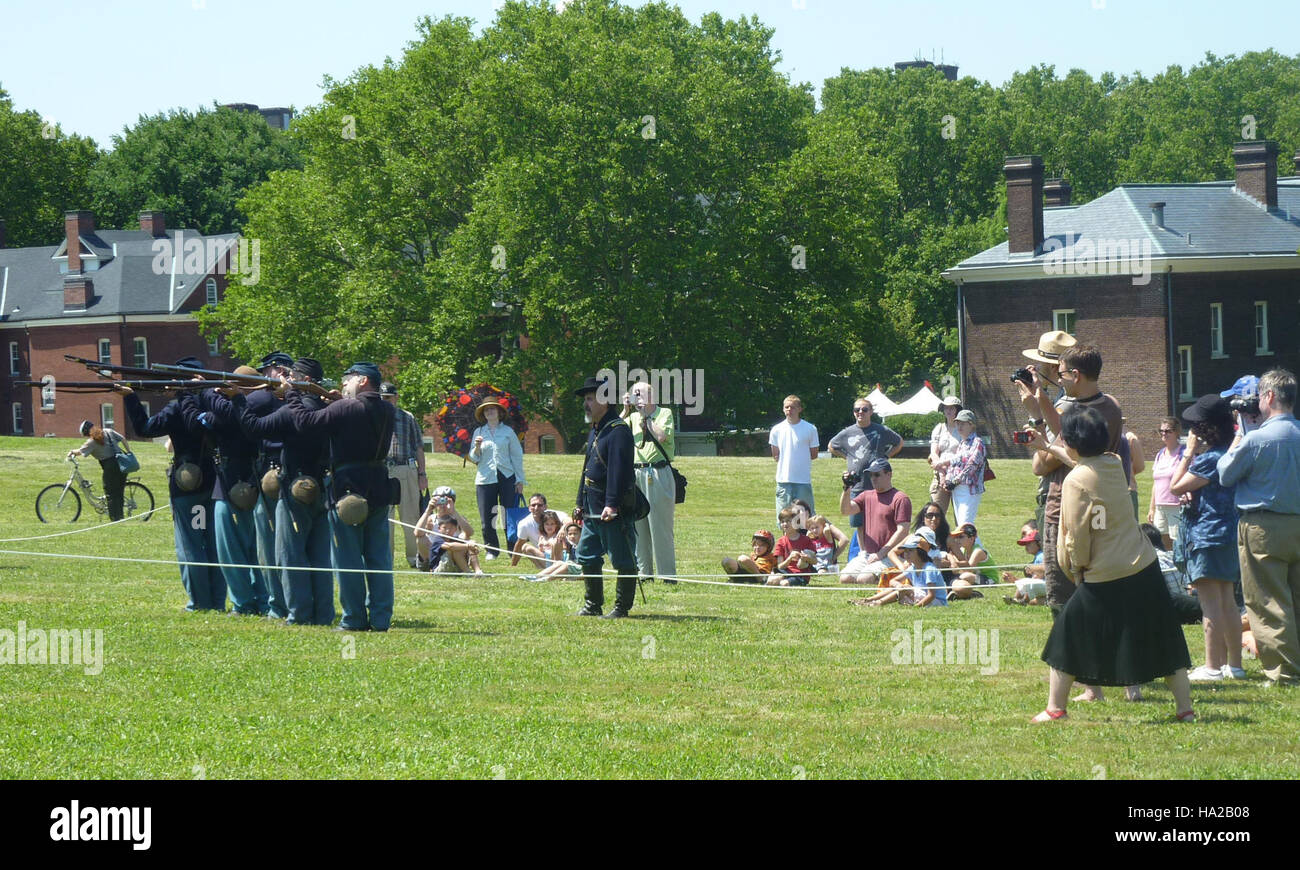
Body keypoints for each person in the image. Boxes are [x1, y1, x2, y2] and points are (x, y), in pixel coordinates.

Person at [1033, 406, 1193, 724]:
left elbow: (1077, 533)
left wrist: (1077, 568)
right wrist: (1052, 447)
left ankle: (1056, 709)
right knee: (1164, 637)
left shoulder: (1075, 481)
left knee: (1065, 636)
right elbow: (1082, 466)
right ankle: (1185, 710)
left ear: (1073, 442)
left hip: (1105, 574)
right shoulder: (1113, 463)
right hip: (1143, 564)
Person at [285, 362, 398, 632]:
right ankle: (381, 619)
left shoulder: (345, 408)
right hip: (379, 488)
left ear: (361, 381)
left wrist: (291, 394)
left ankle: (354, 619)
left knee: (347, 560)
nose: (343, 384)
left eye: (347, 380)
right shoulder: (387, 409)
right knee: (379, 559)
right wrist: (336, 401)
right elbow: (355, 418)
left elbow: (304, 422)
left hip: (348, 488)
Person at [115, 358, 225, 612]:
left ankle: (199, 602)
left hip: (187, 485)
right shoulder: (214, 404)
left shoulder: (177, 408)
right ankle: (217, 601)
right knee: (211, 544)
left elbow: (144, 428)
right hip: (213, 480)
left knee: (190, 546)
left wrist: (131, 397)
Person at [233, 357, 335, 625]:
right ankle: (323, 614)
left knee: (289, 555)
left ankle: (299, 614)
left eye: (293, 376)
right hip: (323, 486)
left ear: (306, 381)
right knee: (319, 557)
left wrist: (237, 399)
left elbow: (253, 428)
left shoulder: (294, 410)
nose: (287, 379)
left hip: (294, 489)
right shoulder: (328, 408)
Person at [1216, 368, 1300, 687]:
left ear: (1268, 397)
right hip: (1297, 520)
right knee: (1296, 597)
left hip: (1263, 525)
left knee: (1268, 599)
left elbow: (1225, 473)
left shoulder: (1257, 439)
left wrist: (1241, 434)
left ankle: (1284, 672)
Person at [1169, 395, 1243, 681]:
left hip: (1207, 534)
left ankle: (1212, 667)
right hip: (1229, 533)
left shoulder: (1210, 458)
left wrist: (1188, 453)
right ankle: (1233, 665)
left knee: (1210, 604)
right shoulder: (1231, 453)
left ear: (1206, 428)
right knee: (1228, 601)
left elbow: (1175, 487)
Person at [194, 369, 272, 617]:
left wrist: (204, 389)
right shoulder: (248, 405)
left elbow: (217, 417)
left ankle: (243, 602)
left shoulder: (243, 406)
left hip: (234, 478)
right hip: (241, 476)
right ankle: (260, 599)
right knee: (251, 547)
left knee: (230, 548)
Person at [572, 375, 639, 618]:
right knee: (587, 553)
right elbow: (587, 469)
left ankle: (622, 608)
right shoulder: (597, 430)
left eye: (590, 399)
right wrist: (580, 502)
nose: (586, 404)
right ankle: (593, 605)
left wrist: (612, 505)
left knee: (622, 558)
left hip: (611, 508)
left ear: (605, 401)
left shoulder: (618, 431)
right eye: (586, 399)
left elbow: (618, 473)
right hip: (592, 506)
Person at [249, 350, 294, 619]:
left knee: (270, 546)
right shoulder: (297, 399)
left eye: (267, 371)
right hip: (284, 474)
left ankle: (278, 604)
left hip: (272, 473)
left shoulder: (263, 398)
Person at [623, 381, 678, 584]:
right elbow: (613, 432)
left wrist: (647, 417)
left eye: (640, 395)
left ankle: (667, 575)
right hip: (635, 475)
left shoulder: (664, 414)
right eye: (634, 395)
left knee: (660, 527)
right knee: (639, 526)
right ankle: (644, 574)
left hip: (658, 472)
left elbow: (662, 437)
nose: (637, 400)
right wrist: (624, 411)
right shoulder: (631, 418)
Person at [829, 398, 901, 532]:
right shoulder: (847, 432)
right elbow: (832, 446)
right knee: (859, 523)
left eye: (864, 409)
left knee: (880, 520)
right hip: (857, 484)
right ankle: (862, 551)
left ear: (871, 412)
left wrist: (886, 457)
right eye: (857, 410)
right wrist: (847, 457)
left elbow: (899, 442)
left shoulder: (881, 430)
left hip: (878, 483)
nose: (860, 412)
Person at [467, 397, 525, 561]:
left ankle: (512, 549)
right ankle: (491, 550)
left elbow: (516, 456)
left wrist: (519, 480)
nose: (489, 411)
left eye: (492, 409)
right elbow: (473, 458)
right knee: (487, 516)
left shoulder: (508, 432)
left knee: (508, 515)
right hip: (485, 478)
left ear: (499, 412)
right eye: (486, 410)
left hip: (507, 476)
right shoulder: (478, 433)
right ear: (483, 414)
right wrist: (477, 447)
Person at [839, 458, 912, 584]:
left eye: (877, 474)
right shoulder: (866, 495)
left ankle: (892, 574)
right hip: (867, 554)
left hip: (891, 555)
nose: (873, 478)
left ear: (889, 474)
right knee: (845, 578)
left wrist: (881, 553)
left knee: (864, 579)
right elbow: (846, 510)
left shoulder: (900, 498)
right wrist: (847, 488)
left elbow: (903, 531)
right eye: (871, 475)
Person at [381, 381, 428, 568]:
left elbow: (418, 447)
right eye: (383, 398)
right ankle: (386, 560)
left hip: (406, 469)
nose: (386, 401)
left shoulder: (407, 417)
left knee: (410, 516)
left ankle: (414, 557)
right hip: (383, 470)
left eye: (389, 398)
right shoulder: (374, 417)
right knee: (385, 518)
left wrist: (422, 473)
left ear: (396, 397)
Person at [858, 532, 948, 607]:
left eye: (910, 551)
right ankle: (869, 600)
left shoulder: (929, 569)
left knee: (905, 588)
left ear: (921, 553)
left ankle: (878, 603)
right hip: (922, 597)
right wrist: (898, 586)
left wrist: (917, 608)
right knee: (901, 587)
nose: (906, 554)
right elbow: (893, 581)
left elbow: (931, 595)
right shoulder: (913, 567)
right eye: (905, 551)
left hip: (937, 602)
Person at [67, 419, 130, 520]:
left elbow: (81, 451)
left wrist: (72, 452)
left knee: (109, 492)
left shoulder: (92, 441)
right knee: (119, 492)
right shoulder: (108, 431)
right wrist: (129, 452)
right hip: (122, 463)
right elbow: (122, 438)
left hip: (110, 466)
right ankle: (120, 516)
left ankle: (114, 518)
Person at [769, 395, 819, 519]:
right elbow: (775, 455)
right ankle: (785, 539)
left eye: (792, 407)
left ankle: (806, 539)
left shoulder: (810, 429)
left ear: (800, 409)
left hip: (803, 481)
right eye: (786, 407)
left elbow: (814, 454)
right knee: (784, 518)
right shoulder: (776, 430)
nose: (789, 410)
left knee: (805, 518)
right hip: (783, 481)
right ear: (783, 409)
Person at [1147, 416, 1186, 550]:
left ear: (1177, 432)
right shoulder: (1160, 454)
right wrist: (1152, 508)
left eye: (1168, 431)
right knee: (1161, 542)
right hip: (1160, 507)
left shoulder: (1184, 453)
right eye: (1161, 431)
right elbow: (1155, 484)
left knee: (1178, 542)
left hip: (1176, 505)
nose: (1164, 434)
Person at [414, 486, 474, 570]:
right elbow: (417, 533)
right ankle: (428, 564)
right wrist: (428, 509)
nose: (443, 504)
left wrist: (453, 511)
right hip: (434, 554)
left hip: (453, 553)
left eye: (446, 501)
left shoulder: (458, 518)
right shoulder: (430, 518)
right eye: (440, 501)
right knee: (421, 539)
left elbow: (469, 533)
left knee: (466, 537)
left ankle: (461, 564)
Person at [943, 409, 987, 526]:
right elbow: (954, 465)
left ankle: (975, 545)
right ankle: (972, 545)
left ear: (971, 425)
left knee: (964, 526)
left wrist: (955, 481)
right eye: (958, 423)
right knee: (963, 527)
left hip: (970, 489)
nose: (959, 426)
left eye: (963, 423)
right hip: (957, 489)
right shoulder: (962, 444)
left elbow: (971, 465)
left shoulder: (978, 442)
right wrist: (948, 480)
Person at [927, 396, 963, 514]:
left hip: (959, 477)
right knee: (936, 513)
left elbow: (964, 455)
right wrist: (942, 473)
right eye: (946, 408)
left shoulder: (963, 429)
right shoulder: (939, 428)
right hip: (939, 476)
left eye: (952, 408)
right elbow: (934, 453)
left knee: (961, 516)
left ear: (957, 410)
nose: (948, 411)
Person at [768, 506, 816, 586]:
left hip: (800, 574)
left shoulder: (806, 540)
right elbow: (780, 566)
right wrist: (789, 558)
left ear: (797, 523)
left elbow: (815, 561)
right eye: (782, 521)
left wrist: (807, 558)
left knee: (784, 584)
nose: (785, 524)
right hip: (785, 571)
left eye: (788, 521)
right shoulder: (781, 541)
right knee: (771, 581)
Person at [944, 522, 992, 600]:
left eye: (961, 537)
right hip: (976, 577)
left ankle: (966, 592)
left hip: (989, 580)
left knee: (965, 576)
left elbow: (968, 569)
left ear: (972, 538)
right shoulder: (963, 550)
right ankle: (959, 592)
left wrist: (953, 562)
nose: (957, 540)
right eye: (956, 537)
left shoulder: (978, 551)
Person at [1003, 523, 1048, 606]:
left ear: (1039, 543)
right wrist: (1014, 580)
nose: (1026, 546)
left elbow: (1039, 576)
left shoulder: (1041, 556)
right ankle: (1016, 599)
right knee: (1025, 583)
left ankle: (1023, 601)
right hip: (1043, 585)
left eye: (1029, 543)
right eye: (1025, 544)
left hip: (1047, 585)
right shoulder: (1038, 556)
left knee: (1027, 582)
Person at [510, 493, 551, 568]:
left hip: (559, 555)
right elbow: (519, 545)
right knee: (525, 547)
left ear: (545, 507)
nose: (536, 508)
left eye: (539, 505)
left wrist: (562, 529)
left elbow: (568, 521)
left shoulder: (554, 516)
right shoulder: (524, 524)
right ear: (529, 508)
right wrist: (513, 566)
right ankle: (544, 569)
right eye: (533, 505)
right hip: (544, 556)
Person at [1122, 419, 1145, 520]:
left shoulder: (1130, 438)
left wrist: (1128, 474)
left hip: (1128, 491)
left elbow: (1139, 466)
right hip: (1110, 491)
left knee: (1131, 529)